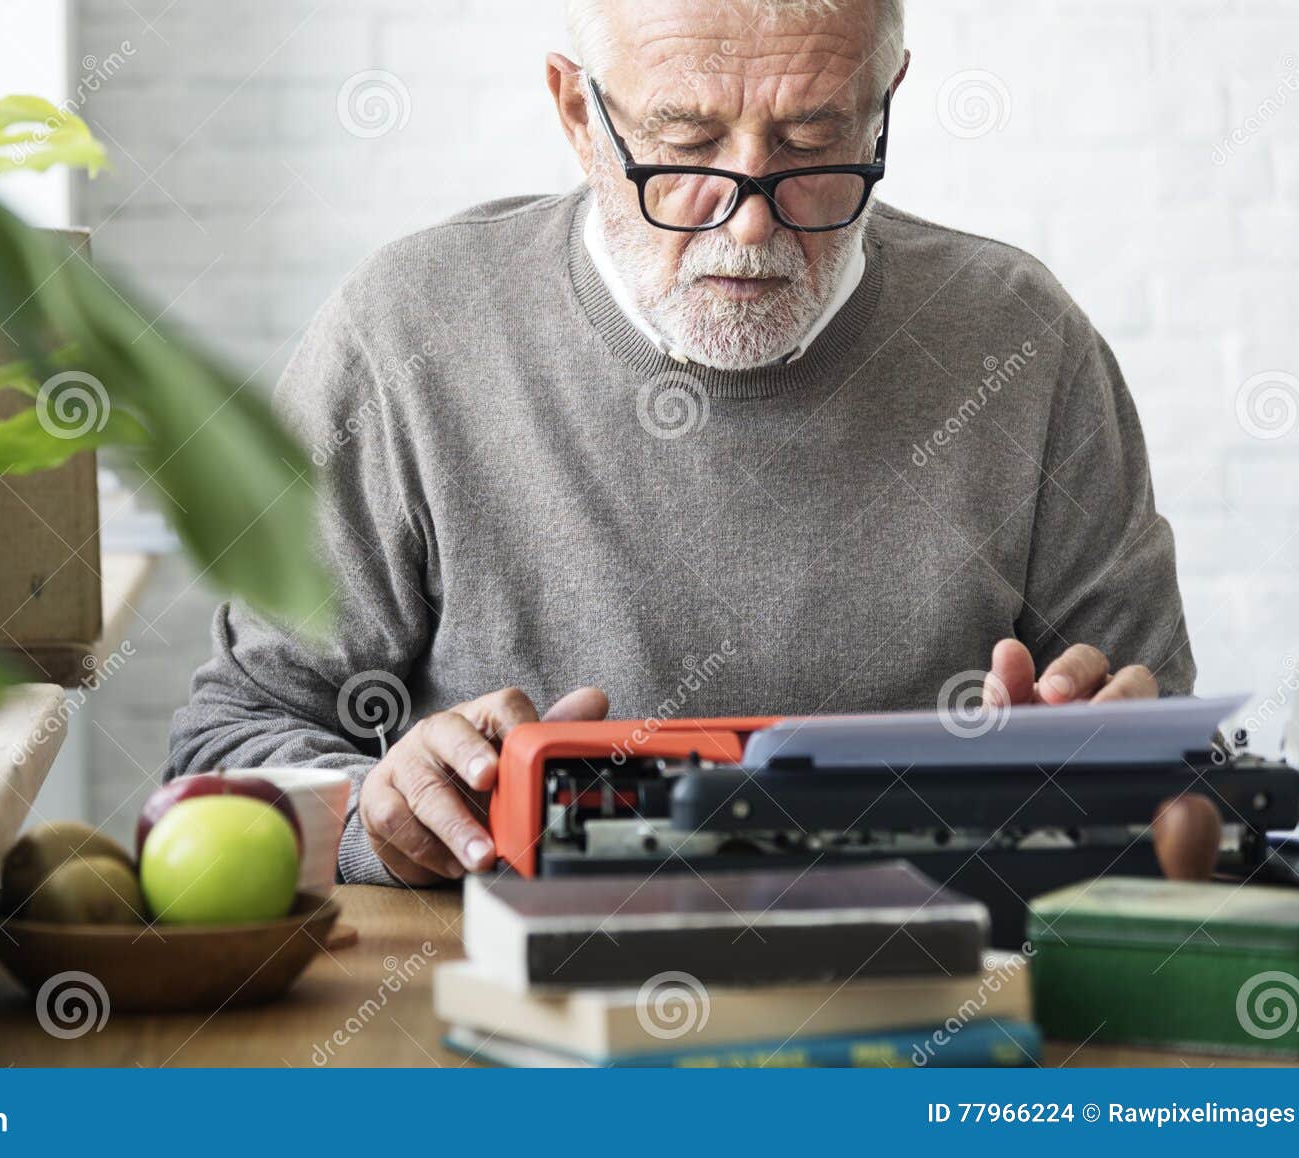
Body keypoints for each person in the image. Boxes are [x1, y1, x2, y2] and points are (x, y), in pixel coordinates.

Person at [170, 0, 1192, 886]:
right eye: (686, 142)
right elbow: (224, 746)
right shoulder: (407, 334)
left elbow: (1181, 771)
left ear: (885, 104)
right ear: (578, 112)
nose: (750, 224)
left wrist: (1113, 765)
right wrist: (376, 813)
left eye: (810, 143)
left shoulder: (1021, 343)